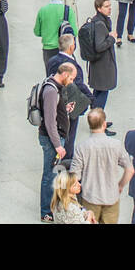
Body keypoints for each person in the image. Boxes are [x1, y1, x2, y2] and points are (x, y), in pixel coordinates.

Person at [69, 108, 134, 224]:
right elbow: (130, 169)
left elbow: (75, 175)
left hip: (90, 197)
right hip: (111, 197)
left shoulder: (82, 147)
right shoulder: (116, 145)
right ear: (104, 124)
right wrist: (120, 185)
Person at [36, 63, 78, 222]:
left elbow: (53, 112)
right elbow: (49, 121)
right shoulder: (51, 91)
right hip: (51, 139)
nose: (72, 81)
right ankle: (46, 211)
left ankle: (50, 206)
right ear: (65, 74)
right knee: (49, 174)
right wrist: (58, 145)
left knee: (53, 172)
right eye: (72, 78)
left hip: (54, 137)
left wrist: (64, 109)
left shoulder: (53, 86)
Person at [33, 0, 77, 64]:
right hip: (65, 48)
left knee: (51, 74)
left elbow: (37, 32)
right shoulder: (68, 10)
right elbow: (75, 32)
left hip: (48, 49)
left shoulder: (43, 10)